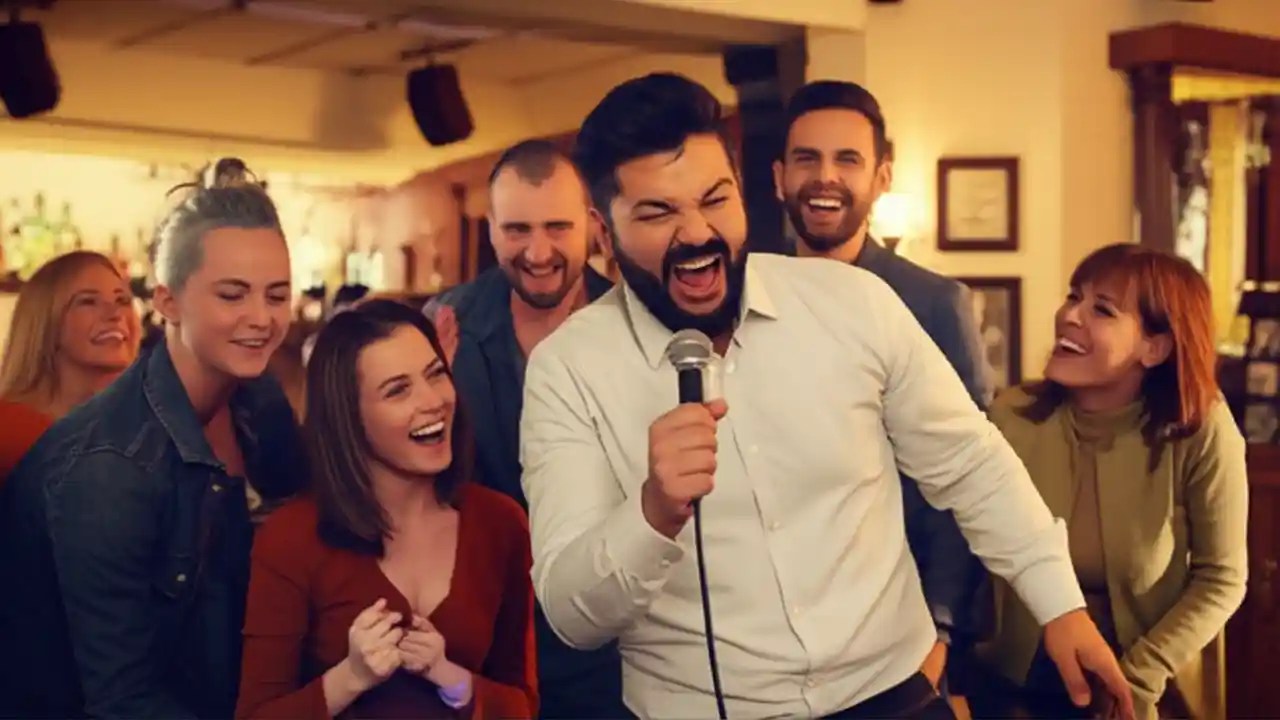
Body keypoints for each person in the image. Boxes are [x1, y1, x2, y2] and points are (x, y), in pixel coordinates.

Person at [519, 72, 1135, 720]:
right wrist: (651, 513)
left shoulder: (854, 303)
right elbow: (570, 613)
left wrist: (1059, 605)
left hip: (896, 694)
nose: (697, 234)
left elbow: (971, 466)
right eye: (657, 213)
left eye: (715, 199)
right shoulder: (568, 371)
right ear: (600, 227)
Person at [0, 158, 308, 718]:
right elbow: (121, 697)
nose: (261, 317)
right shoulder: (109, 463)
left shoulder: (258, 397)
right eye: (233, 295)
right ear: (166, 301)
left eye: (277, 294)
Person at [773, 80, 992, 695]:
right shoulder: (741, 295)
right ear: (777, 176)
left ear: (882, 177)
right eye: (806, 159)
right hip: (770, 633)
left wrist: (941, 633)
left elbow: (963, 481)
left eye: (848, 160)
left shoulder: (934, 303)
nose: (825, 178)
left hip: (902, 630)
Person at [973, 244, 1247, 720]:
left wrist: (1140, 676)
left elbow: (1222, 578)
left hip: (1151, 680)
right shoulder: (1009, 417)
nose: (1069, 316)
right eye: (1073, 296)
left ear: (1155, 348)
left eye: (1102, 309)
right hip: (1013, 684)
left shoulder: (1201, 428)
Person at [236, 299, 537, 720]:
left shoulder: (500, 523)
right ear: (349, 417)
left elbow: (522, 706)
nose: (433, 401)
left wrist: (453, 679)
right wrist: (350, 678)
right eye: (398, 390)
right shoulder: (291, 539)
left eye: (436, 374)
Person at [427, 139, 622, 719]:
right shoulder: (443, 325)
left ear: (591, 224)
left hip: (603, 635)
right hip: (481, 634)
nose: (538, 252)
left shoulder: (634, 325)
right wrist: (427, 398)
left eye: (557, 228)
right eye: (517, 230)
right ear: (490, 230)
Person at [0, 250, 141, 478]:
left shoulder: (149, 429)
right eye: (88, 301)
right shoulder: (9, 432)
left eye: (122, 300)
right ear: (46, 322)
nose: (115, 313)